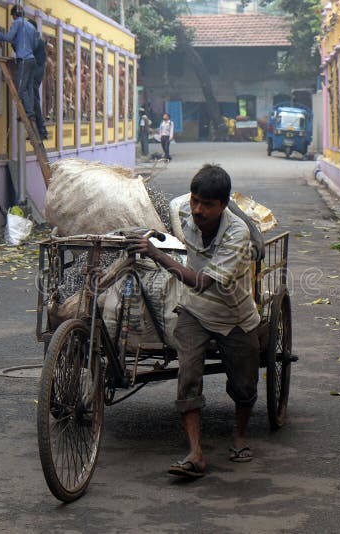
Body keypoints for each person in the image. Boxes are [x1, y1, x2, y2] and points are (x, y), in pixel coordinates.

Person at [127, 165, 260, 478]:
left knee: (244, 383)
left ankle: (240, 437)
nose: (198, 210)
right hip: (194, 309)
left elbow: (202, 282)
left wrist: (158, 256)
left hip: (233, 313)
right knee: (187, 371)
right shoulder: (183, 209)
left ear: (223, 205)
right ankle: (195, 453)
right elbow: (163, 228)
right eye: (195, 200)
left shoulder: (237, 233)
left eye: (207, 205)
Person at [0, 5, 38, 136]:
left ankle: (28, 113)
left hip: (23, 59)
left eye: (13, 16)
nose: (12, 18)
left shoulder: (17, 23)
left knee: (20, 88)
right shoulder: (31, 26)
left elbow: (8, 37)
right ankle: (29, 113)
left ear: (14, 15)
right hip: (32, 60)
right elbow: (35, 45)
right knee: (28, 88)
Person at [28, 19, 48, 140]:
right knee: (33, 101)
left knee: (34, 102)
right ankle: (38, 130)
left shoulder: (37, 41)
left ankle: (41, 130)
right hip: (36, 74)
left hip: (35, 76)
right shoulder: (37, 41)